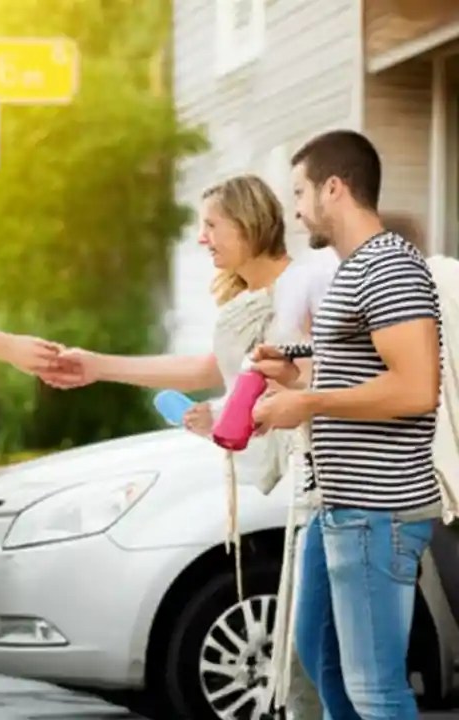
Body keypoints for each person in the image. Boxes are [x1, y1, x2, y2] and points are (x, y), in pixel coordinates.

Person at [43, 174, 335, 718]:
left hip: (328, 490)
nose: (202, 238)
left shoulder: (303, 291)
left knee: (320, 664)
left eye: (211, 225)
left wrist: (228, 412)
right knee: (313, 665)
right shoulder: (250, 299)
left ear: (247, 223)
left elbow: (311, 380)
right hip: (306, 499)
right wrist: (98, 366)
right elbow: (212, 369)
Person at [249, 130, 441, 720]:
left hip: (375, 512)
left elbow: (415, 388)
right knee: (325, 663)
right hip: (344, 508)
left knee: (376, 691)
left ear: (335, 188)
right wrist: (297, 378)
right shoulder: (356, 269)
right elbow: (358, 375)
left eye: (302, 191)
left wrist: (307, 406)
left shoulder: (387, 267)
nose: (297, 207)